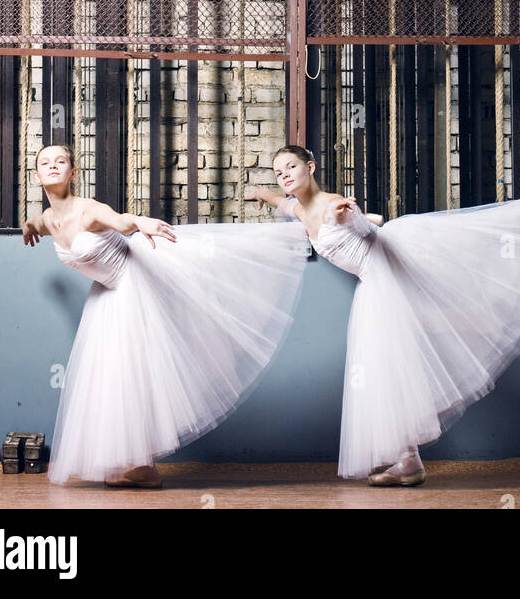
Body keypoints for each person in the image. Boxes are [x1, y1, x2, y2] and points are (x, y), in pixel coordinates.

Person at [250, 144, 520, 487]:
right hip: (380, 286)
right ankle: (408, 462)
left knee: (501, 221)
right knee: (389, 373)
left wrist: (354, 217)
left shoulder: (332, 203)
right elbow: (286, 205)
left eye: (291, 168)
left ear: (311, 168)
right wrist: (262, 193)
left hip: (392, 274)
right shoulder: (300, 210)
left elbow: (365, 232)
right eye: (279, 172)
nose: (285, 176)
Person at [23, 143, 307, 488]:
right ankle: (137, 464)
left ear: (74, 172)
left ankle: (144, 464)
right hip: (106, 295)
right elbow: (37, 222)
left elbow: (120, 221)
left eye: (61, 161)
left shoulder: (88, 210)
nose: (53, 166)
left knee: (134, 371)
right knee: (110, 377)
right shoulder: (48, 219)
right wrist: (28, 227)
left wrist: (140, 222)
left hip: (133, 282)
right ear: (37, 175)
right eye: (45, 163)